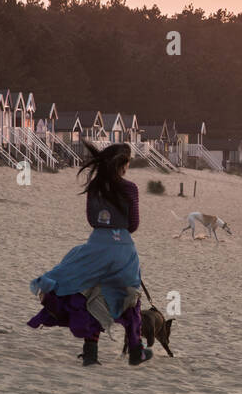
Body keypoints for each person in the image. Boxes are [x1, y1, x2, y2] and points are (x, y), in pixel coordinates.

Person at [27, 142, 153, 366]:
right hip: (122, 248)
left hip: (96, 245)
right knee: (130, 296)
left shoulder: (94, 187)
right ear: (123, 164)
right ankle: (136, 350)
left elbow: (91, 220)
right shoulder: (130, 188)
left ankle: (90, 354)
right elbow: (133, 224)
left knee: (88, 294)